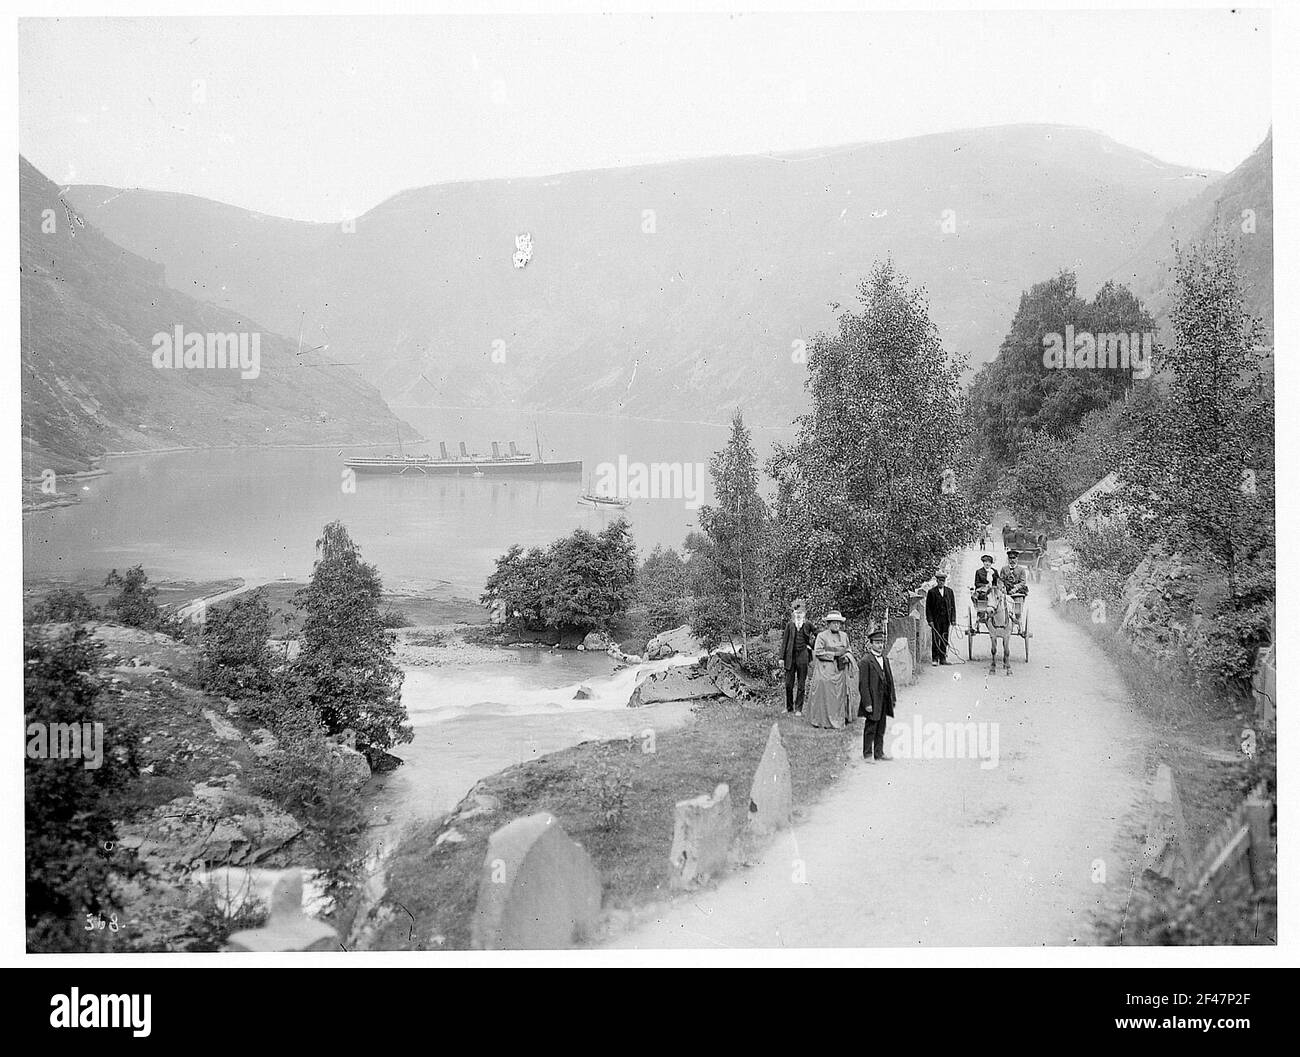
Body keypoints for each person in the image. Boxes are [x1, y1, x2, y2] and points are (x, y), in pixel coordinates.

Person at [806, 611, 858, 729]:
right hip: (826, 668)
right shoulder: (822, 636)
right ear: (828, 624)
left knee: (843, 691)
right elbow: (818, 652)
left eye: (838, 623)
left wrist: (847, 656)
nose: (837, 625)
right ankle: (823, 719)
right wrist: (834, 654)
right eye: (834, 623)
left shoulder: (844, 636)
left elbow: (848, 649)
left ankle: (842, 716)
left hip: (841, 668)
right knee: (826, 686)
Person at [858, 627, 896, 761]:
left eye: (881, 642)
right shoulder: (865, 661)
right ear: (871, 644)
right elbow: (863, 685)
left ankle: (879, 753)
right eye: (877, 642)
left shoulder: (884, 659)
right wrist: (867, 703)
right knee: (871, 727)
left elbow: (889, 679)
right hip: (873, 700)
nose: (880, 645)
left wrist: (892, 698)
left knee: (881, 727)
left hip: (884, 698)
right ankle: (867, 754)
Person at [780, 599, 817, 715]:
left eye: (801, 612)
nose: (799, 614)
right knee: (788, 684)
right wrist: (781, 658)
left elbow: (819, 635)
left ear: (804, 613)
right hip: (790, 657)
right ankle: (789, 707)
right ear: (794, 613)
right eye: (797, 612)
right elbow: (784, 642)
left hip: (803, 655)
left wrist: (812, 645)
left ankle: (799, 709)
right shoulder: (790, 625)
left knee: (801, 684)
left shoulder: (808, 624)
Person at [925, 572, 957, 666]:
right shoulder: (931, 592)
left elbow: (953, 606)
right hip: (935, 620)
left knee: (945, 638)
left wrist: (953, 619)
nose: (941, 582)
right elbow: (928, 608)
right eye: (939, 581)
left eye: (943, 581)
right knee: (936, 638)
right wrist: (930, 620)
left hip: (946, 619)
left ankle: (943, 658)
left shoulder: (949, 592)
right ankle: (935, 659)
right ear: (937, 581)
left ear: (945, 582)